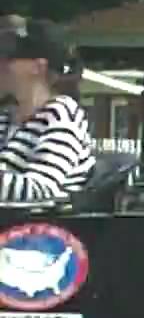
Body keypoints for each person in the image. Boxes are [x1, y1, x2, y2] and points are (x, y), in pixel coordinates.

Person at [0, 15, 95, 202]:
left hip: (36, 227)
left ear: (38, 66)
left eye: (6, 56)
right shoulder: (7, 117)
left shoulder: (61, 116)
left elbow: (41, 188)